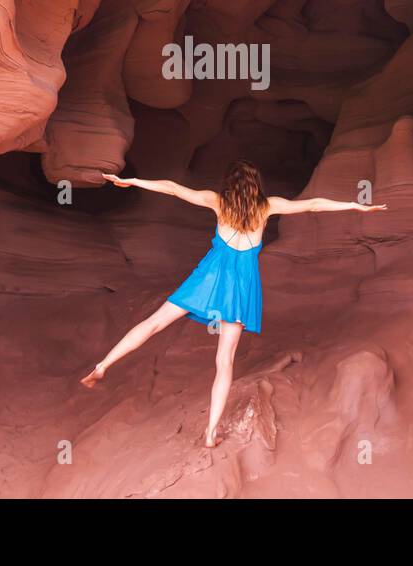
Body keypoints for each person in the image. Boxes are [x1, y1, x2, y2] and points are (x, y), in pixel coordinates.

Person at [80, 160, 386, 448]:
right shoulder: (268, 207)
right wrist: (357, 206)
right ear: (256, 185)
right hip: (240, 290)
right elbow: (314, 204)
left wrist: (130, 181)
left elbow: (172, 188)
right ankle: (211, 432)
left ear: (230, 184)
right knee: (224, 361)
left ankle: (103, 365)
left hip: (208, 280)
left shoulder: (217, 201)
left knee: (154, 323)